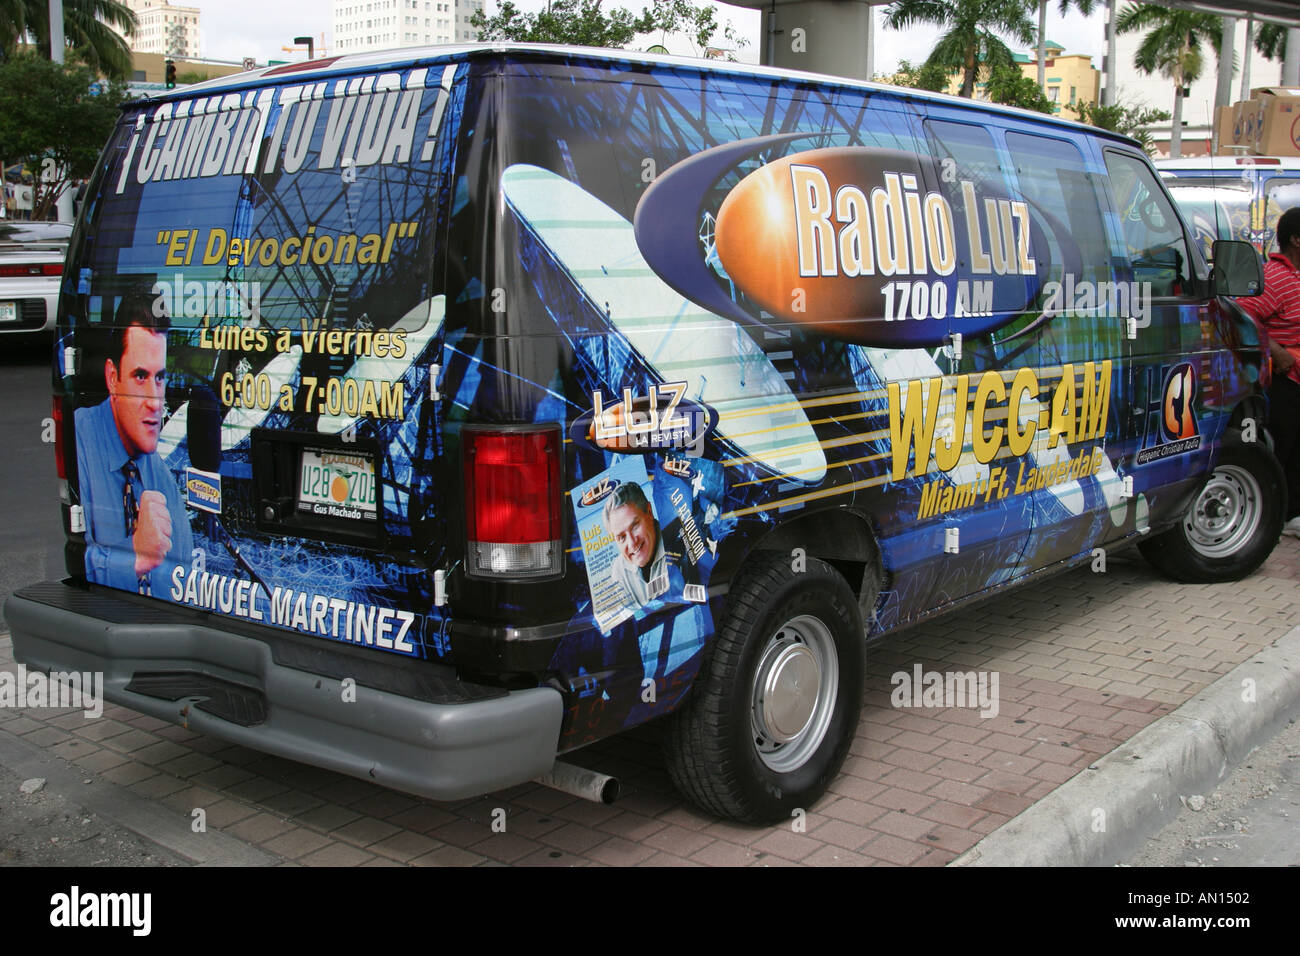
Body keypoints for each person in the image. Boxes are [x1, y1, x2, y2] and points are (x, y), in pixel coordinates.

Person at [75, 297, 193, 594]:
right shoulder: (79, 442)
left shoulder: (163, 483)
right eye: (140, 376)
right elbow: (69, 566)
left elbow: (183, 586)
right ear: (112, 378)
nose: (155, 402)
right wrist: (135, 556)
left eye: (160, 379)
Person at [1237, 206, 1300, 538]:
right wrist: (1276, 350)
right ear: (1296, 240)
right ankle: (1276, 515)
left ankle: (1293, 513)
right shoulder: (1274, 277)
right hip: (1283, 379)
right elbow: (1238, 311)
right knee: (1283, 445)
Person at [602, 481, 668, 607]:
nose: (632, 543)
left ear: (649, 512)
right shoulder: (619, 572)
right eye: (621, 537)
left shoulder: (677, 543)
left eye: (635, 526)